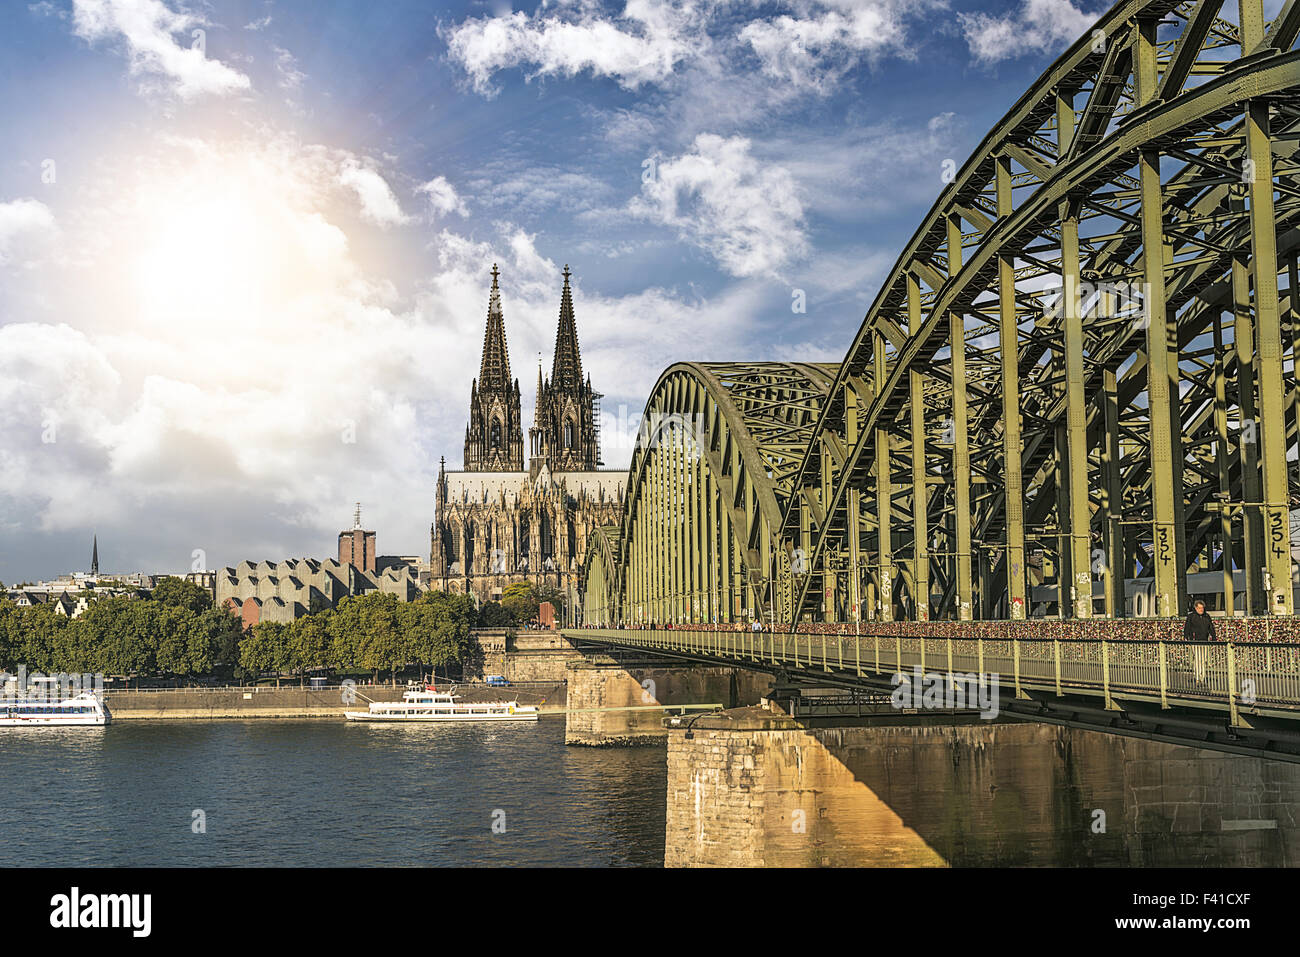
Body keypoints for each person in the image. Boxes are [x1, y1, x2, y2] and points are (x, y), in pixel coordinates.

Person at [1184, 598, 1216, 683]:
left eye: (1202, 608)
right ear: (1195, 608)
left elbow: (1211, 628)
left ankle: (1202, 677)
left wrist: (1214, 638)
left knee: (1203, 660)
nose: (1201, 610)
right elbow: (1187, 628)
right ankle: (1198, 677)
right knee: (1198, 659)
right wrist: (1186, 639)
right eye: (1199, 608)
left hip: (1204, 641)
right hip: (1195, 641)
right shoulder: (1191, 616)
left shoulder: (1206, 616)